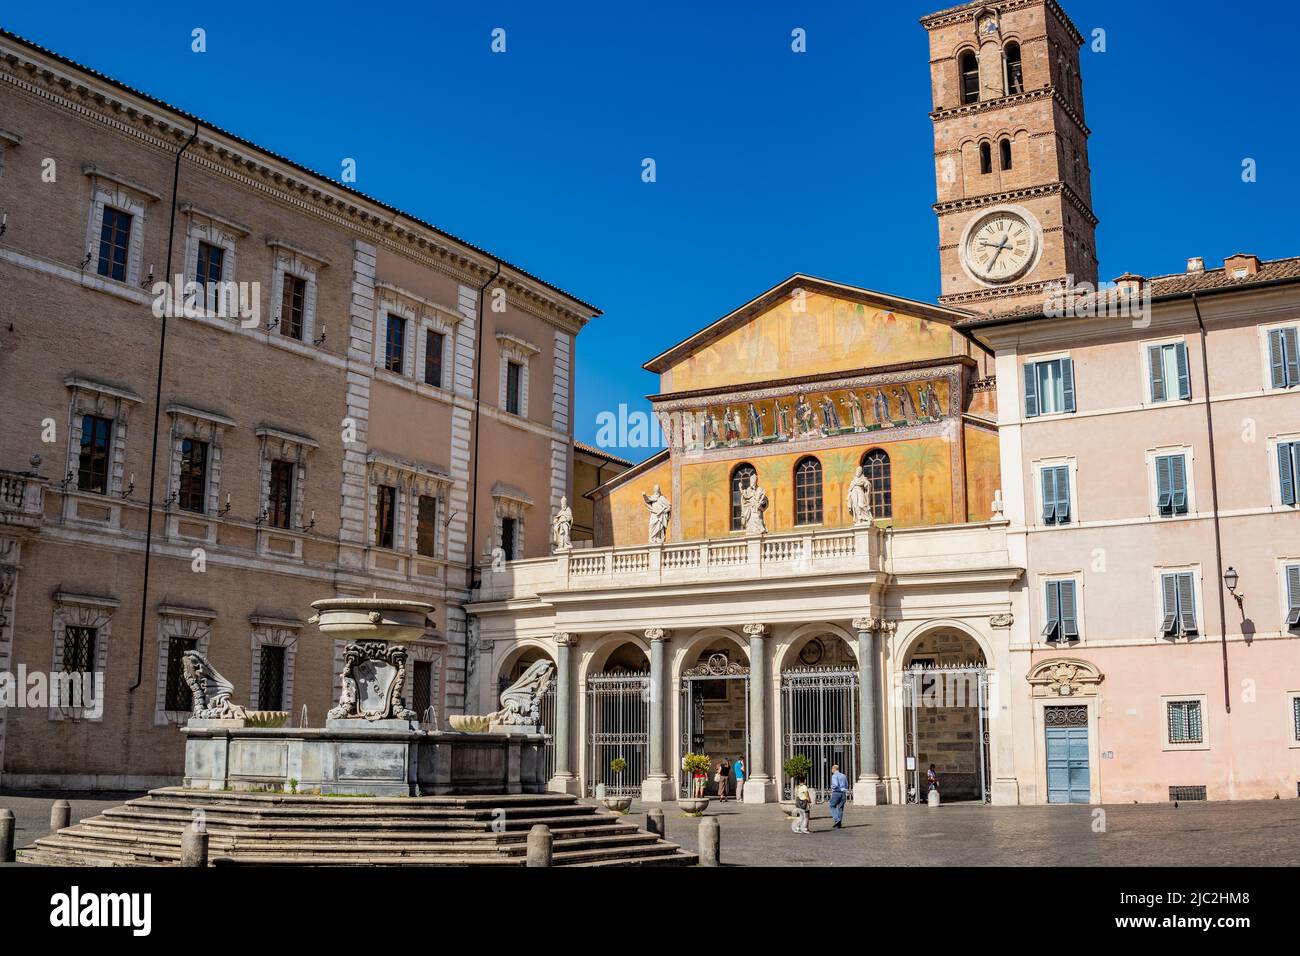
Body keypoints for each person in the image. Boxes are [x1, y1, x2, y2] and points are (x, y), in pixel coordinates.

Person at [829, 763, 849, 829]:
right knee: (841, 808)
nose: (831, 770)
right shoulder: (843, 775)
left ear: (834, 769)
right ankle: (839, 824)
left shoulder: (834, 776)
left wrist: (832, 786)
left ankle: (837, 820)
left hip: (836, 793)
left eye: (832, 769)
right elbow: (846, 785)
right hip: (843, 793)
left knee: (832, 806)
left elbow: (835, 784)